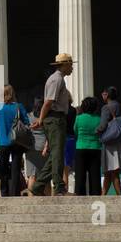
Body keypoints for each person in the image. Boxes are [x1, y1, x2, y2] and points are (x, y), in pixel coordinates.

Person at [27, 53, 75, 196]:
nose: (72, 67)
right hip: (54, 119)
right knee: (57, 155)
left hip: (57, 118)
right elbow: (48, 102)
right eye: (70, 64)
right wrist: (41, 119)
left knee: (55, 154)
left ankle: (38, 186)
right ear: (64, 65)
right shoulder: (56, 79)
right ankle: (59, 187)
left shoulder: (58, 79)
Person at [0, 85, 31, 197]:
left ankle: (4, 192)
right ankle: (14, 192)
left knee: (3, 168)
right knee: (16, 168)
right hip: (17, 141)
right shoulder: (19, 106)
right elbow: (27, 122)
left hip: (2, 142)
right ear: (12, 93)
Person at [95, 86, 121, 196]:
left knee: (112, 171)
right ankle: (103, 195)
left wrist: (97, 131)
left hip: (110, 143)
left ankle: (119, 195)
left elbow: (103, 125)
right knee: (110, 172)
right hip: (120, 141)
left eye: (104, 93)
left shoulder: (106, 108)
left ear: (107, 95)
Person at [72, 96, 103, 196]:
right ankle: (95, 194)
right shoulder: (99, 119)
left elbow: (75, 131)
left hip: (81, 147)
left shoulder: (78, 118)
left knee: (80, 174)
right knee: (95, 174)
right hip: (95, 147)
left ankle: (80, 194)